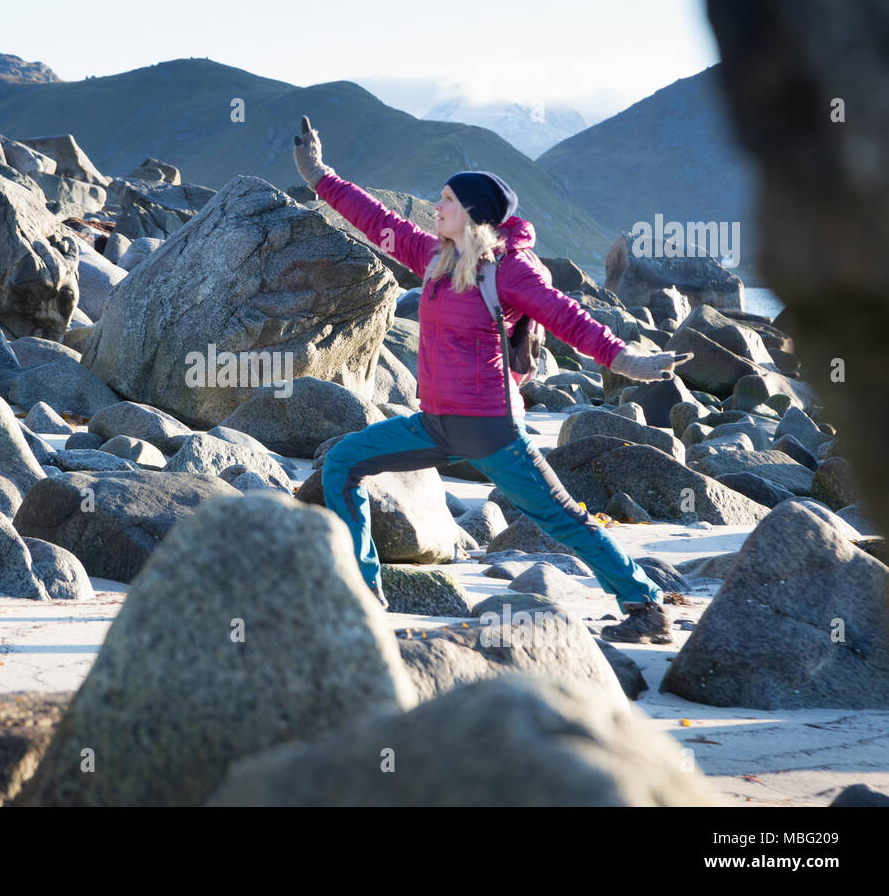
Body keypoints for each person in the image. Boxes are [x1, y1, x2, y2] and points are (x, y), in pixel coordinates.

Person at [292, 115, 693, 644]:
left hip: (490, 429)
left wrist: (627, 361)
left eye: (447, 202)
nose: (436, 207)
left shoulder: (508, 270)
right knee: (343, 462)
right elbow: (375, 218)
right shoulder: (433, 255)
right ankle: (365, 598)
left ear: (473, 215)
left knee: (562, 519)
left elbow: (567, 317)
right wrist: (319, 173)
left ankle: (645, 605)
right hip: (434, 425)